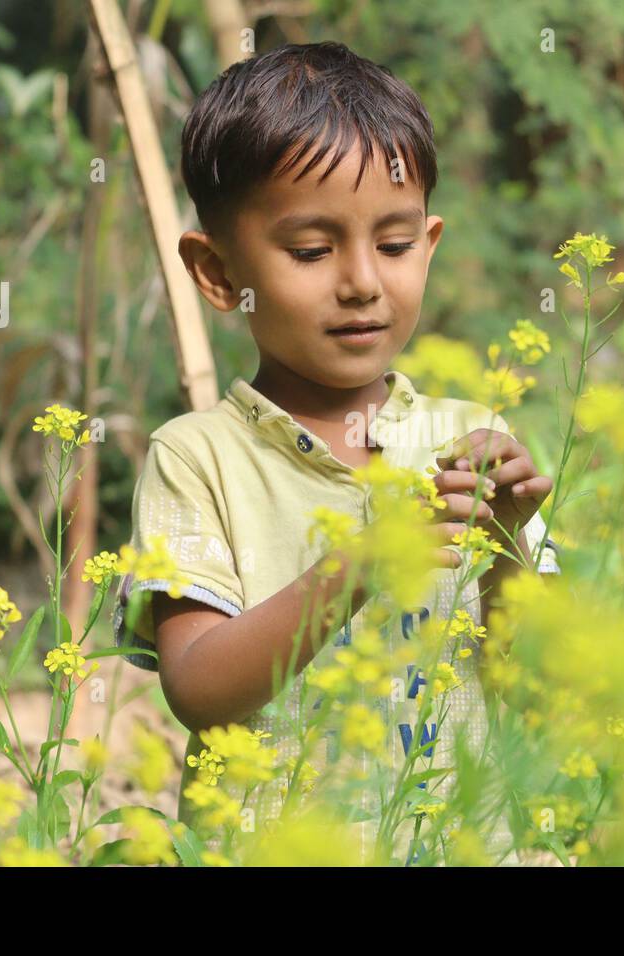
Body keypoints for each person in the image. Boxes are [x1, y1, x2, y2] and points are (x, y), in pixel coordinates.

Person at [112, 40, 561, 864]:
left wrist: (507, 551)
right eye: (312, 252)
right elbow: (199, 690)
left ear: (428, 244)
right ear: (216, 273)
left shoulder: (471, 436)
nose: (361, 282)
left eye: (393, 246)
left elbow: (530, 684)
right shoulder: (197, 457)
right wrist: (358, 565)